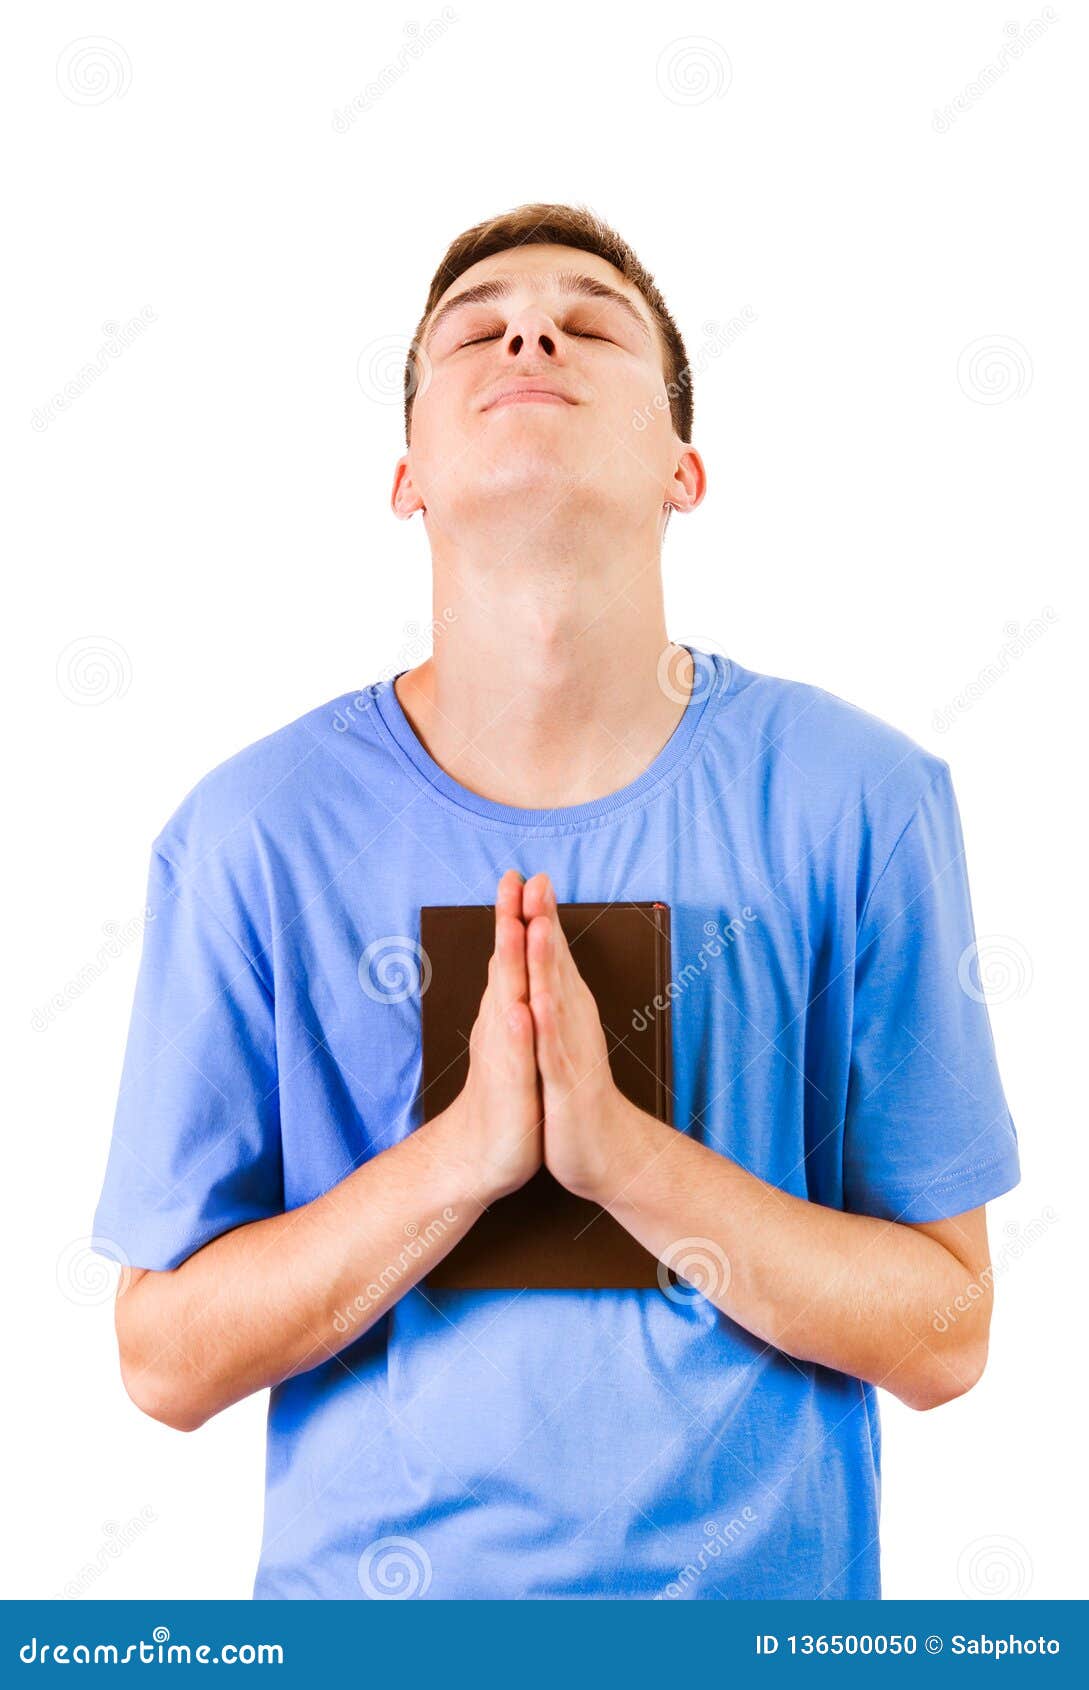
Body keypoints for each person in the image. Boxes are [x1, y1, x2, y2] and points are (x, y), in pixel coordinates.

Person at [92, 203, 1020, 1600]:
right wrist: (464, 1154)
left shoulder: (860, 799)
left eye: (590, 324)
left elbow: (946, 1330)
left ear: (681, 469)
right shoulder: (250, 834)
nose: (528, 329)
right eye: (475, 326)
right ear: (405, 475)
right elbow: (161, 1358)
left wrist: (623, 1158)